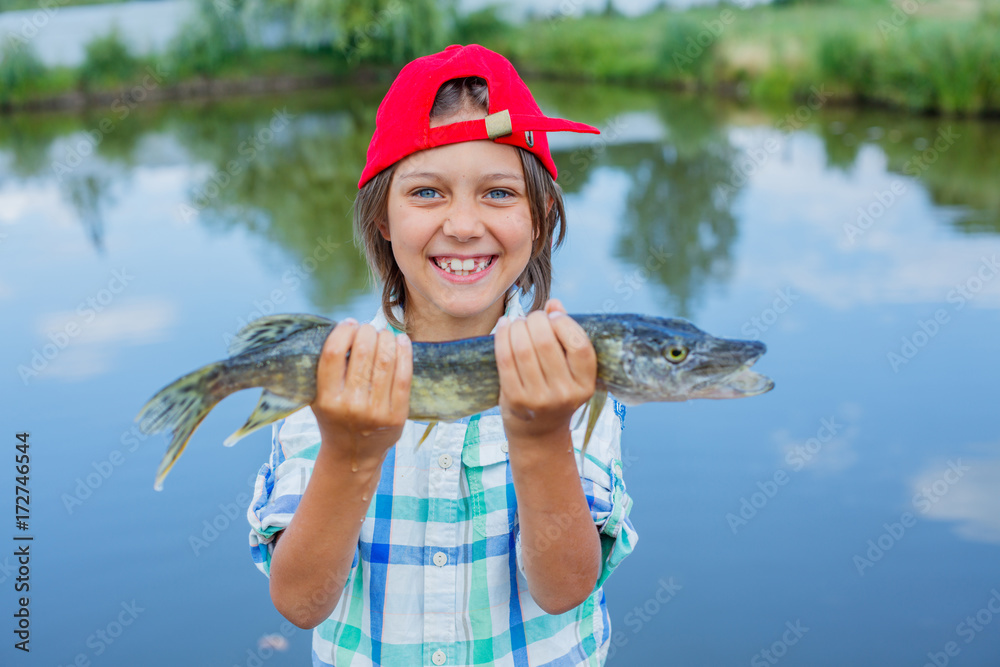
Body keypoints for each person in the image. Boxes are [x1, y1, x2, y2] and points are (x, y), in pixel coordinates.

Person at [247, 44, 637, 667]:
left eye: (498, 193)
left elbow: (564, 590)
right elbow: (299, 602)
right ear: (382, 219)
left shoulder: (574, 374)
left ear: (539, 215)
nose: (461, 224)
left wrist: (541, 439)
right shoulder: (332, 376)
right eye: (427, 192)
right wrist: (349, 454)